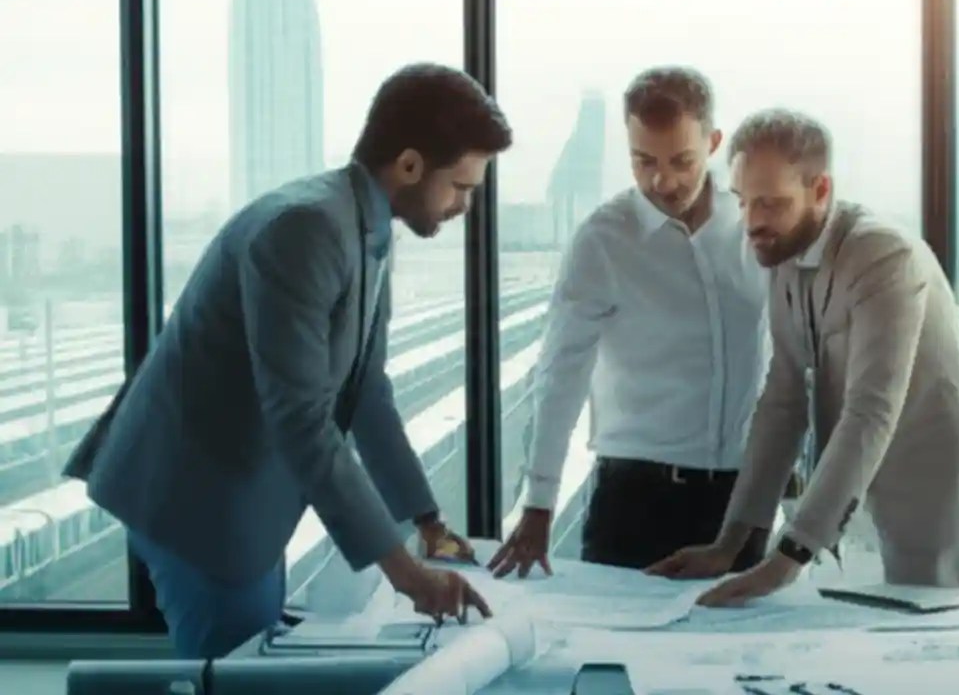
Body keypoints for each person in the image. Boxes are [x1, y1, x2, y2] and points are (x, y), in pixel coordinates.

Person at [63, 63, 513, 658]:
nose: (466, 205)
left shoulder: (365, 229)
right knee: (239, 673)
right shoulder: (307, 230)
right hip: (195, 504)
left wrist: (425, 520)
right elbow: (302, 418)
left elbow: (367, 394)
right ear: (408, 165)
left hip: (242, 501)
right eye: (461, 187)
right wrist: (409, 576)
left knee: (258, 664)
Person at [648, 109, 959, 605]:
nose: (752, 223)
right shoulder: (782, 248)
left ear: (821, 190)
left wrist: (786, 561)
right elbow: (781, 401)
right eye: (743, 203)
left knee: (924, 645)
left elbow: (870, 410)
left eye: (771, 203)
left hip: (939, 480)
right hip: (867, 480)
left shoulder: (884, 257)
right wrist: (731, 542)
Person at [487, 66, 770, 577]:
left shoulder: (754, 226)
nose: (662, 181)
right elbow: (561, 373)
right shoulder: (603, 239)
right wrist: (539, 502)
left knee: (737, 654)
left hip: (743, 502)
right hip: (635, 500)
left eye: (681, 160)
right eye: (643, 161)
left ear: (713, 143)